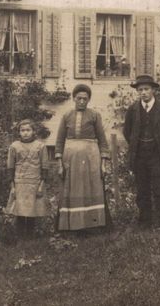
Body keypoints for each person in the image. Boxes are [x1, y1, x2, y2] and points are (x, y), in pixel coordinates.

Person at [122, 74, 160, 226]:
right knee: (142, 189)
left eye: (146, 89)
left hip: (157, 154)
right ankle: (145, 221)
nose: (143, 92)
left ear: (153, 90)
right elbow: (127, 132)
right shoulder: (133, 110)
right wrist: (137, 145)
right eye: (140, 90)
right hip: (139, 154)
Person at [55, 84, 109, 232]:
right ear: (73, 98)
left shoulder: (94, 115)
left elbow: (102, 140)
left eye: (85, 99)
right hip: (70, 160)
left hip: (91, 158)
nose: (82, 101)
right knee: (73, 189)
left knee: (91, 188)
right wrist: (60, 164)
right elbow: (59, 141)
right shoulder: (66, 116)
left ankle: (92, 226)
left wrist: (103, 164)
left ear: (89, 100)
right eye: (79, 98)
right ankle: (72, 225)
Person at [4, 119, 50, 238]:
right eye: (22, 130)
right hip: (20, 182)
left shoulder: (40, 146)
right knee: (20, 211)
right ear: (19, 132)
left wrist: (41, 185)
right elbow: (10, 167)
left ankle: (30, 239)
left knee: (31, 211)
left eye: (28, 130)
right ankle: (20, 238)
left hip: (34, 182)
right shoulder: (14, 146)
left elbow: (44, 167)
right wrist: (12, 186)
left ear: (33, 131)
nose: (25, 133)